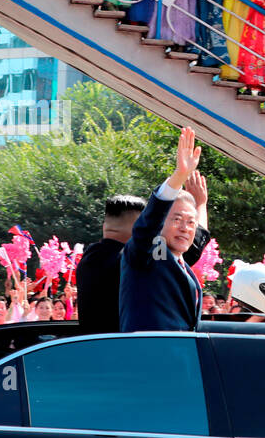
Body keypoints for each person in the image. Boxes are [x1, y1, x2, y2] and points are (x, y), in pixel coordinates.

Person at [118, 127, 206, 333]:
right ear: (161, 223)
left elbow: (197, 238)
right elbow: (148, 225)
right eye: (177, 219)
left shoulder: (178, 261)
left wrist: (201, 204)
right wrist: (179, 176)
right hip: (149, 357)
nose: (185, 228)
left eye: (190, 222)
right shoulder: (148, 254)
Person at [75, 191, 200, 334]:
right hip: (128, 349)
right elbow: (182, 257)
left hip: (90, 348)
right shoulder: (134, 261)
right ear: (141, 229)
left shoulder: (88, 260)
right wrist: (200, 204)